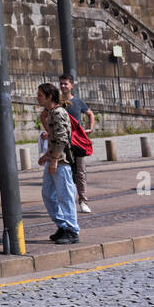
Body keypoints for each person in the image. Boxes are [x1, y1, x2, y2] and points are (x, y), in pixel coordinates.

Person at [36, 82, 79, 244]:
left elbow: (62, 139)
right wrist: (47, 155)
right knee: (48, 194)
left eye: (40, 95)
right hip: (54, 160)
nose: (37, 98)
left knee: (65, 196)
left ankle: (72, 230)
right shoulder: (51, 113)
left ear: (49, 97)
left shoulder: (59, 113)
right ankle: (62, 225)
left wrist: (54, 159)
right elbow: (54, 139)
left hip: (62, 162)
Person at [59, 73, 95, 213]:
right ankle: (67, 202)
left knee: (80, 172)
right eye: (61, 83)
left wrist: (90, 128)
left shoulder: (78, 102)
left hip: (77, 141)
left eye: (65, 83)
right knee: (64, 173)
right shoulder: (58, 102)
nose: (63, 86)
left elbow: (90, 114)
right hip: (63, 142)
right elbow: (45, 115)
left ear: (71, 85)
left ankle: (83, 201)